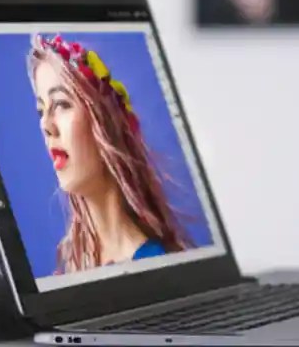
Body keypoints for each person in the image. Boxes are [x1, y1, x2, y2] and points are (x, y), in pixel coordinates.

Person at [28, 35, 191, 273]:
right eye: (41, 110)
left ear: (104, 122)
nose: (46, 125)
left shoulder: (154, 266)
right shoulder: (73, 263)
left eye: (61, 104)